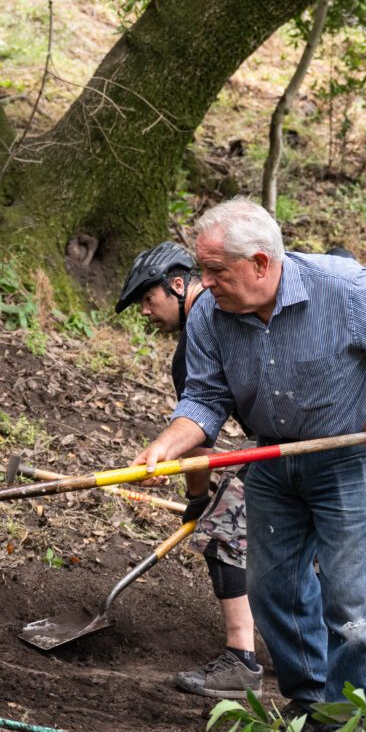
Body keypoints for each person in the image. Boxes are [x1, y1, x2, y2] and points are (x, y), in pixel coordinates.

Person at [132, 198, 366, 732]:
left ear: (260, 263)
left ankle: (356, 729)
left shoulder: (344, 290)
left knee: (351, 600)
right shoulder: (211, 315)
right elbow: (207, 398)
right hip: (274, 457)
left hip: (347, 460)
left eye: (215, 271)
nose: (203, 285)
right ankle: (309, 705)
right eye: (201, 270)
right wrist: (167, 444)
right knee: (273, 589)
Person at [115, 242, 262, 699]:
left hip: (290, 445)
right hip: (306, 438)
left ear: (178, 285)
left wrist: (198, 502)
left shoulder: (196, 342)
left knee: (221, 532)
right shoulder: (242, 306)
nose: (144, 311)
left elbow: (199, 436)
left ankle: (242, 660)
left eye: (147, 298)